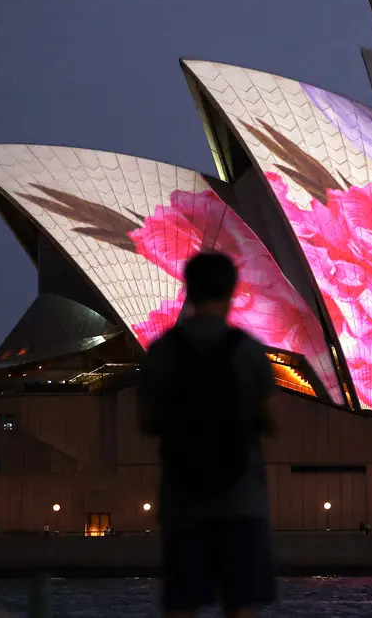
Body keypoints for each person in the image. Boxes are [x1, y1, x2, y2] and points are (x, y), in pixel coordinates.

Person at [139, 252, 277, 618]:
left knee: (182, 605)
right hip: (241, 496)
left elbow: (146, 422)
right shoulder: (248, 351)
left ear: (188, 289)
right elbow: (271, 422)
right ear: (232, 291)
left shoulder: (162, 351)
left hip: (183, 498)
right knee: (241, 605)